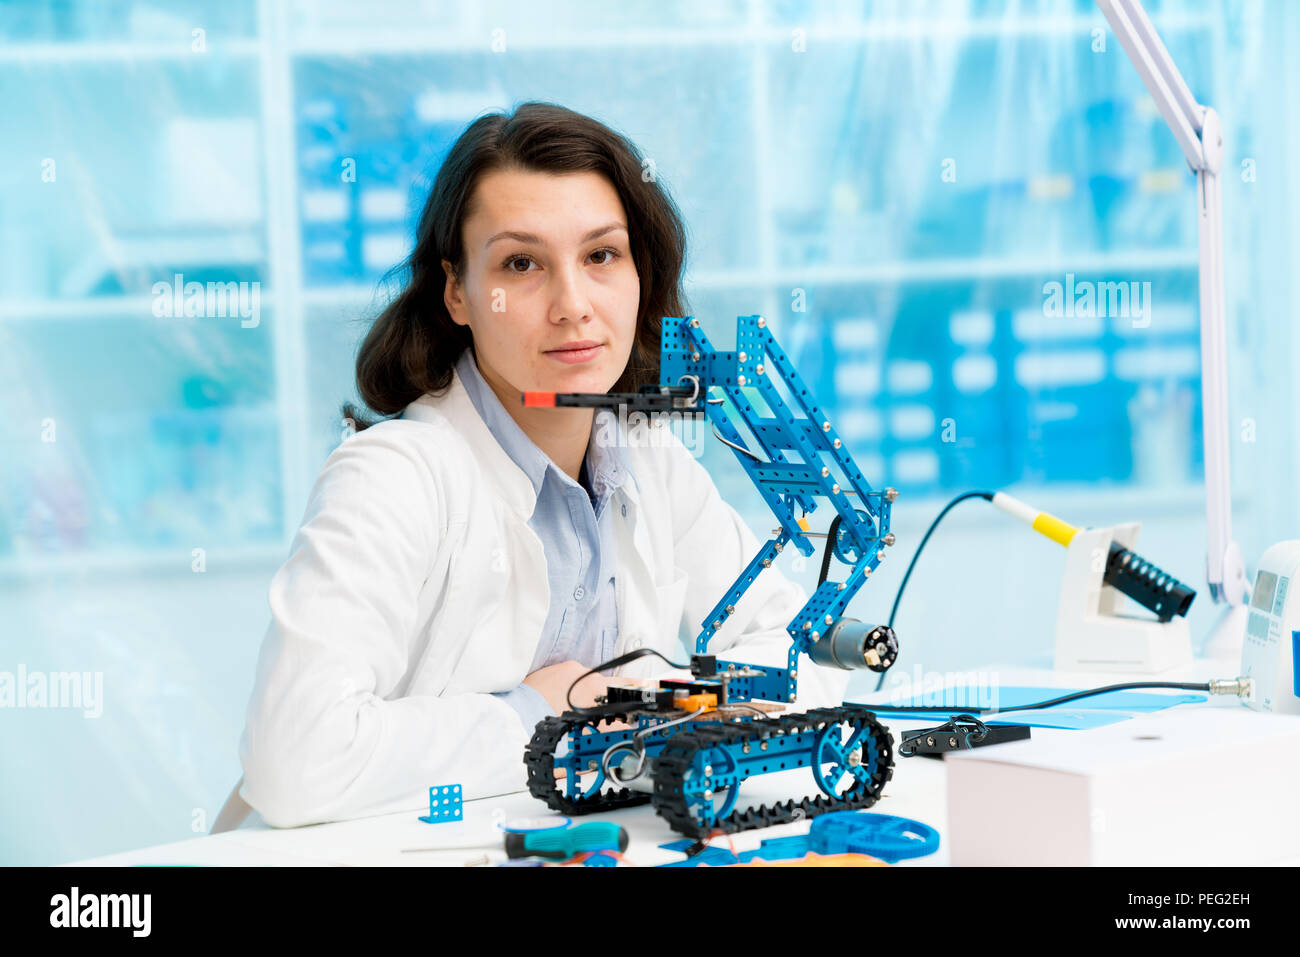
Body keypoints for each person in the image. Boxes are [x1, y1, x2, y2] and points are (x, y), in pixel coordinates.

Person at [216, 102, 849, 831]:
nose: (573, 305)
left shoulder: (648, 456)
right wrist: (543, 710)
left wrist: (655, 700)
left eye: (601, 256)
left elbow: (796, 645)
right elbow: (296, 758)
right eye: (522, 264)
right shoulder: (391, 478)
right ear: (457, 290)